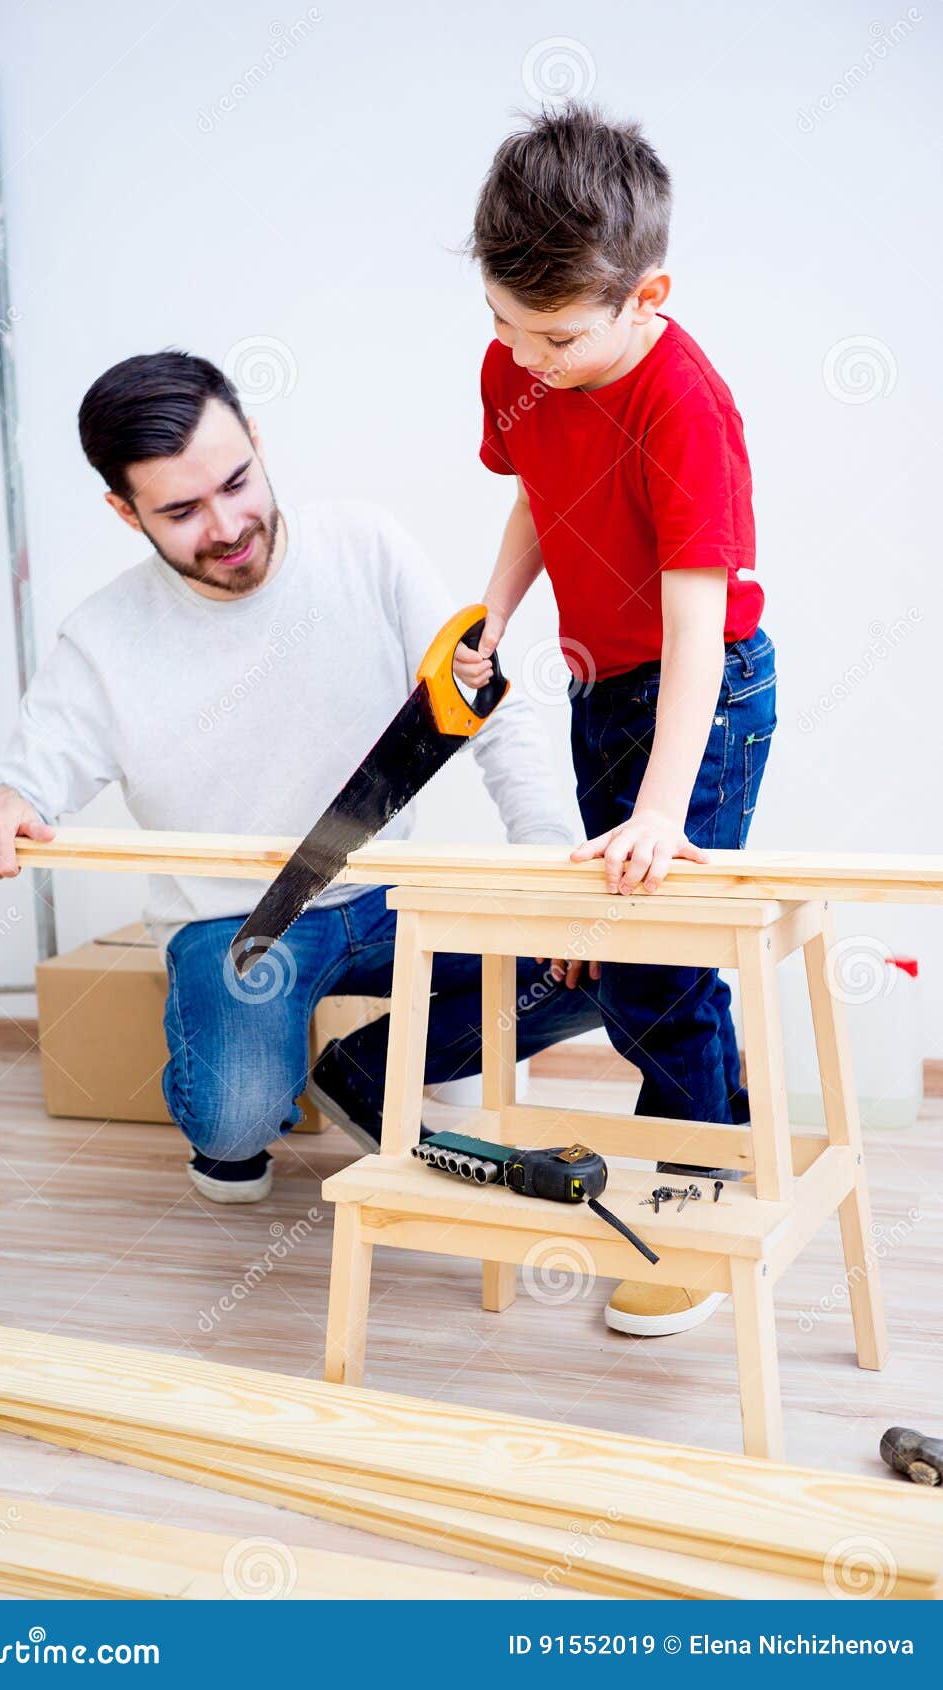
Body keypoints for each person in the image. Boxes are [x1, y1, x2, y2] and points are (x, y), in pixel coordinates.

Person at [0, 350, 602, 1205]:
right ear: (123, 509)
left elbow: (492, 708)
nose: (225, 526)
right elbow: (20, 783)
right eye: (180, 510)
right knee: (238, 1119)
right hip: (239, 921)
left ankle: (368, 1072)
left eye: (236, 482)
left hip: (388, 892)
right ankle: (240, 1118)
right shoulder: (102, 638)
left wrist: (547, 862)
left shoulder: (364, 545)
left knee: (610, 966)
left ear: (256, 440)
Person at [454, 105, 777, 1337]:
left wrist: (656, 809)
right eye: (498, 322)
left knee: (661, 955)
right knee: (629, 952)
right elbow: (536, 494)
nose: (522, 356)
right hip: (599, 681)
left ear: (649, 295)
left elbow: (699, 628)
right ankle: (682, 1162)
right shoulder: (519, 362)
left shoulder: (685, 407)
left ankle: (698, 1205)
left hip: (705, 692)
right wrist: (490, 617)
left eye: (553, 334)